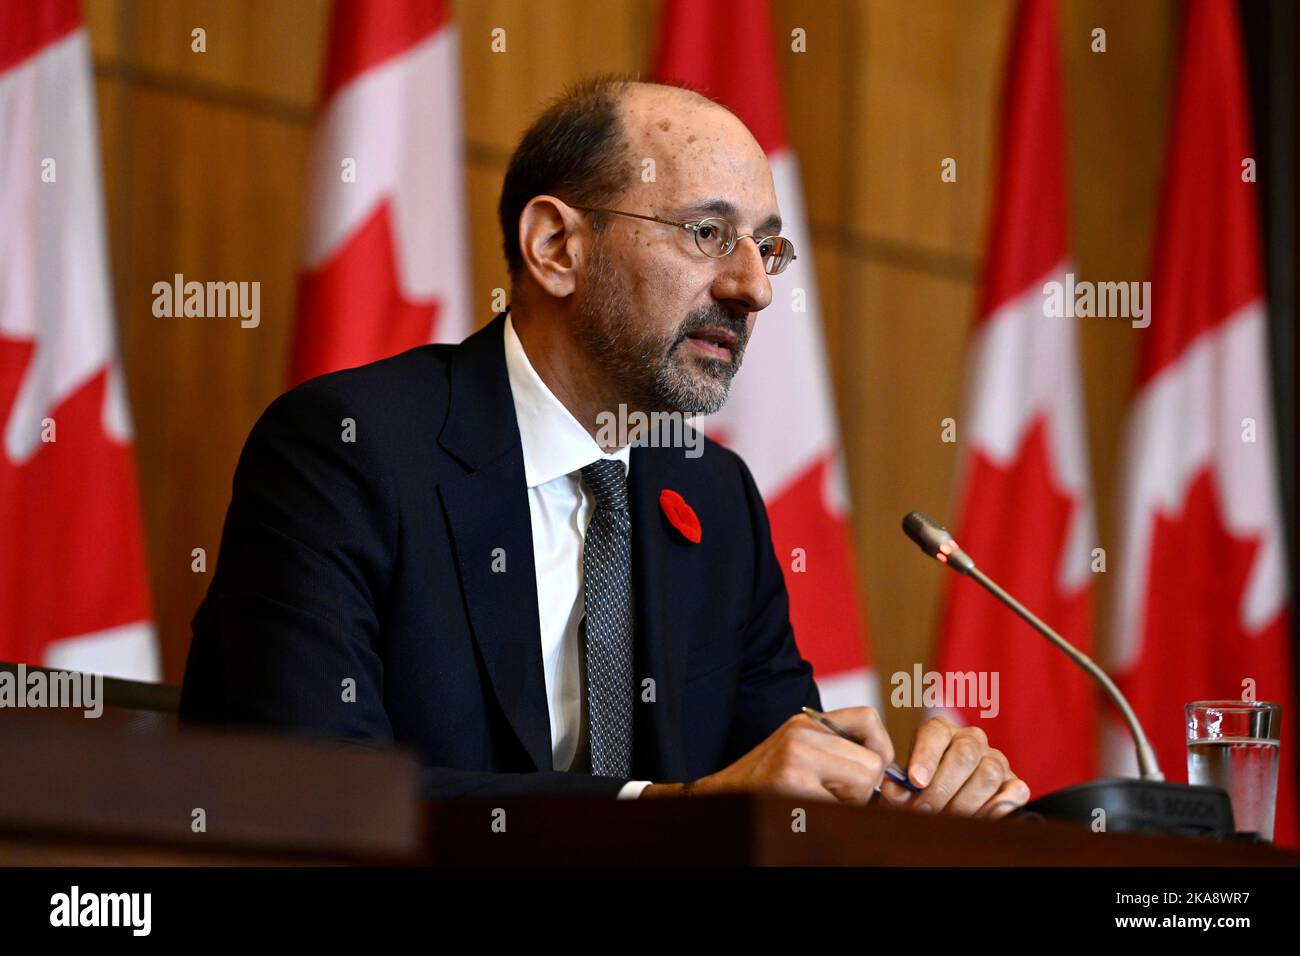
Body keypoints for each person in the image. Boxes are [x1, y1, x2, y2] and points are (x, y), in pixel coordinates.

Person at [181, 75, 1030, 817]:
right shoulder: (346, 452)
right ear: (556, 248)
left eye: (767, 246)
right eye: (707, 234)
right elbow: (316, 791)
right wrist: (664, 810)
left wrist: (898, 801)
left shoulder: (713, 497)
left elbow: (779, 788)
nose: (755, 288)